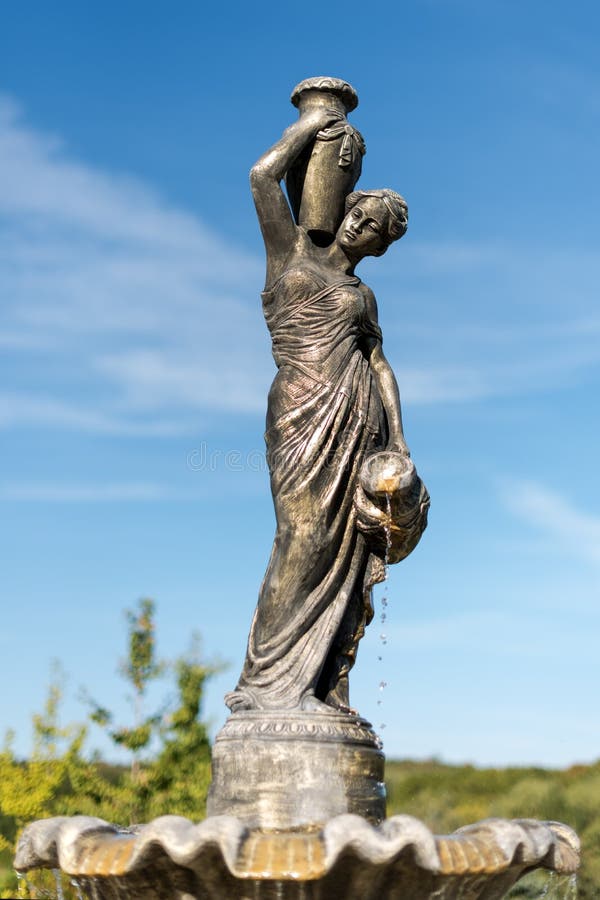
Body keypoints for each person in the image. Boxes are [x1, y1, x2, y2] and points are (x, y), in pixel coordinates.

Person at [225, 108, 409, 715]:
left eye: (373, 226)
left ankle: (326, 685)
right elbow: (260, 177)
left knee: (346, 550)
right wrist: (313, 124)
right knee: (300, 535)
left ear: (381, 245)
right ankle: (265, 685)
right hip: (302, 411)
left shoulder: (363, 296)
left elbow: (379, 365)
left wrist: (399, 442)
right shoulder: (290, 252)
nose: (359, 225)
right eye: (357, 211)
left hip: (358, 422)